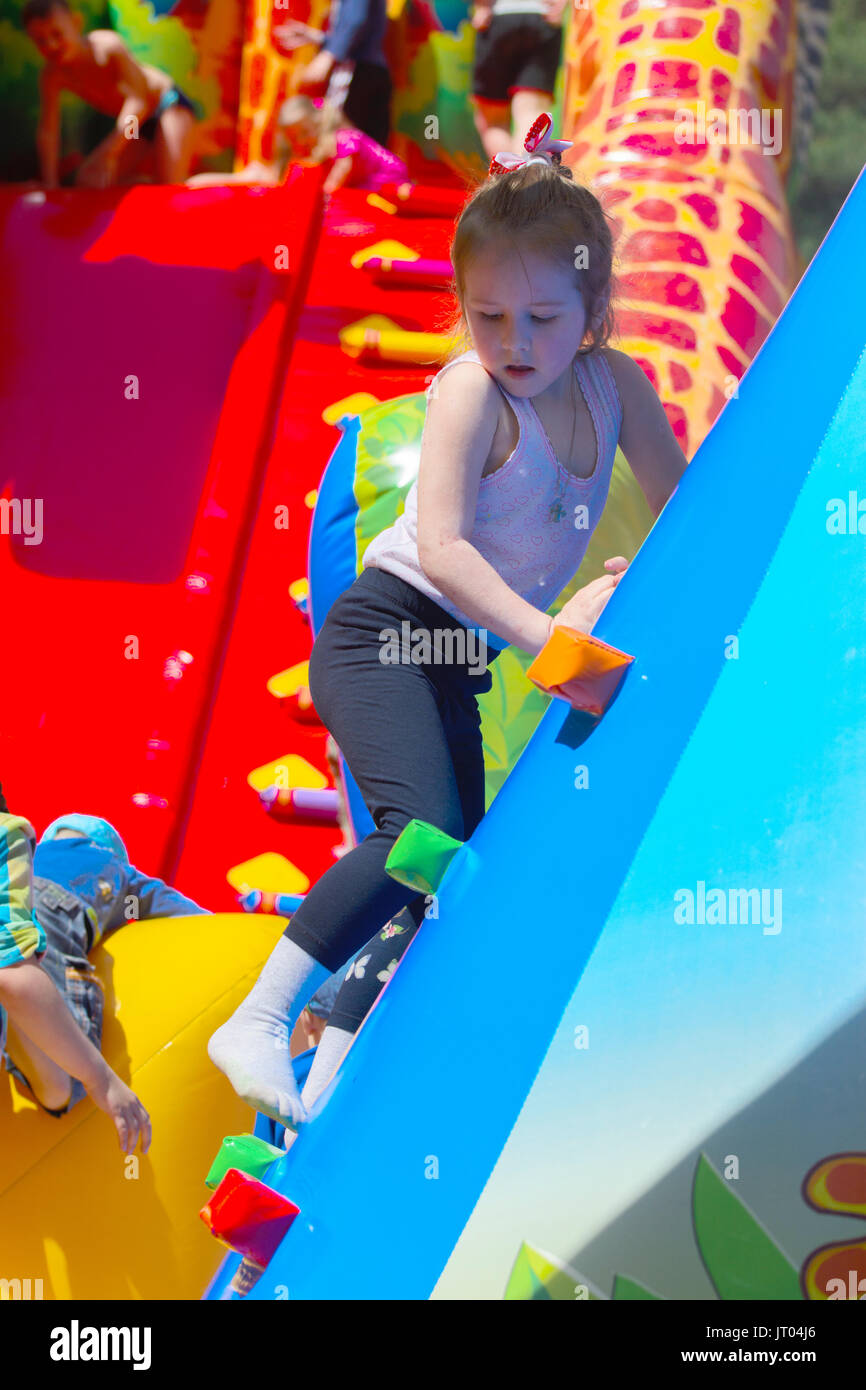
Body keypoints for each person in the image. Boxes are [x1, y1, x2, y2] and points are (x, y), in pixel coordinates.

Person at [208, 113, 688, 1128]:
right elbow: (443, 549)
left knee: (448, 870)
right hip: (383, 629)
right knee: (417, 830)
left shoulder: (618, 390)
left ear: (593, 307)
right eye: (488, 316)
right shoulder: (468, 392)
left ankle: (335, 1063)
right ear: (462, 312)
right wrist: (551, 637)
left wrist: (633, 576)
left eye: (543, 319)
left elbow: (690, 511)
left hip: (452, 660)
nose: (514, 344)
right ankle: (256, 1015)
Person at [0, 790, 210, 1150]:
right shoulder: (116, 873)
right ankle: (25, 1019)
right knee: (61, 1087)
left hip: (31, 906)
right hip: (54, 918)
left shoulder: (35, 859)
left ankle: (18, 1016)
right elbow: (170, 911)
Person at [21, 0, 199, 187]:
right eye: (41, 40)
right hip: (137, 126)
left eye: (57, 34)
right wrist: (50, 183)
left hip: (167, 105)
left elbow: (139, 104)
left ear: (76, 23)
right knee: (88, 180)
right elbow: (49, 131)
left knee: (170, 183)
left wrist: (111, 152)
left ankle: (224, 186)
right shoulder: (53, 75)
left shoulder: (106, 47)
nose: (51, 45)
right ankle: (149, 188)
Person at [187, 96, 408, 195]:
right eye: (294, 137)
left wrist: (323, 194)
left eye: (304, 133)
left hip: (389, 178)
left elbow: (341, 172)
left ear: (317, 122)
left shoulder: (344, 138)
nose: (301, 141)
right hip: (370, 182)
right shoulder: (318, 138)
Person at [273, 0, 392, 149]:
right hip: (366, 70)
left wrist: (330, 54)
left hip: (360, 72)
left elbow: (355, 19)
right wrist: (315, 37)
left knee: (347, 140)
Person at [470, 0, 567, 160]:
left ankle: (513, 177)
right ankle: (524, 175)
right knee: (530, 110)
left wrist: (481, 5)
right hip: (542, 17)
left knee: (494, 121)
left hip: (498, 17)